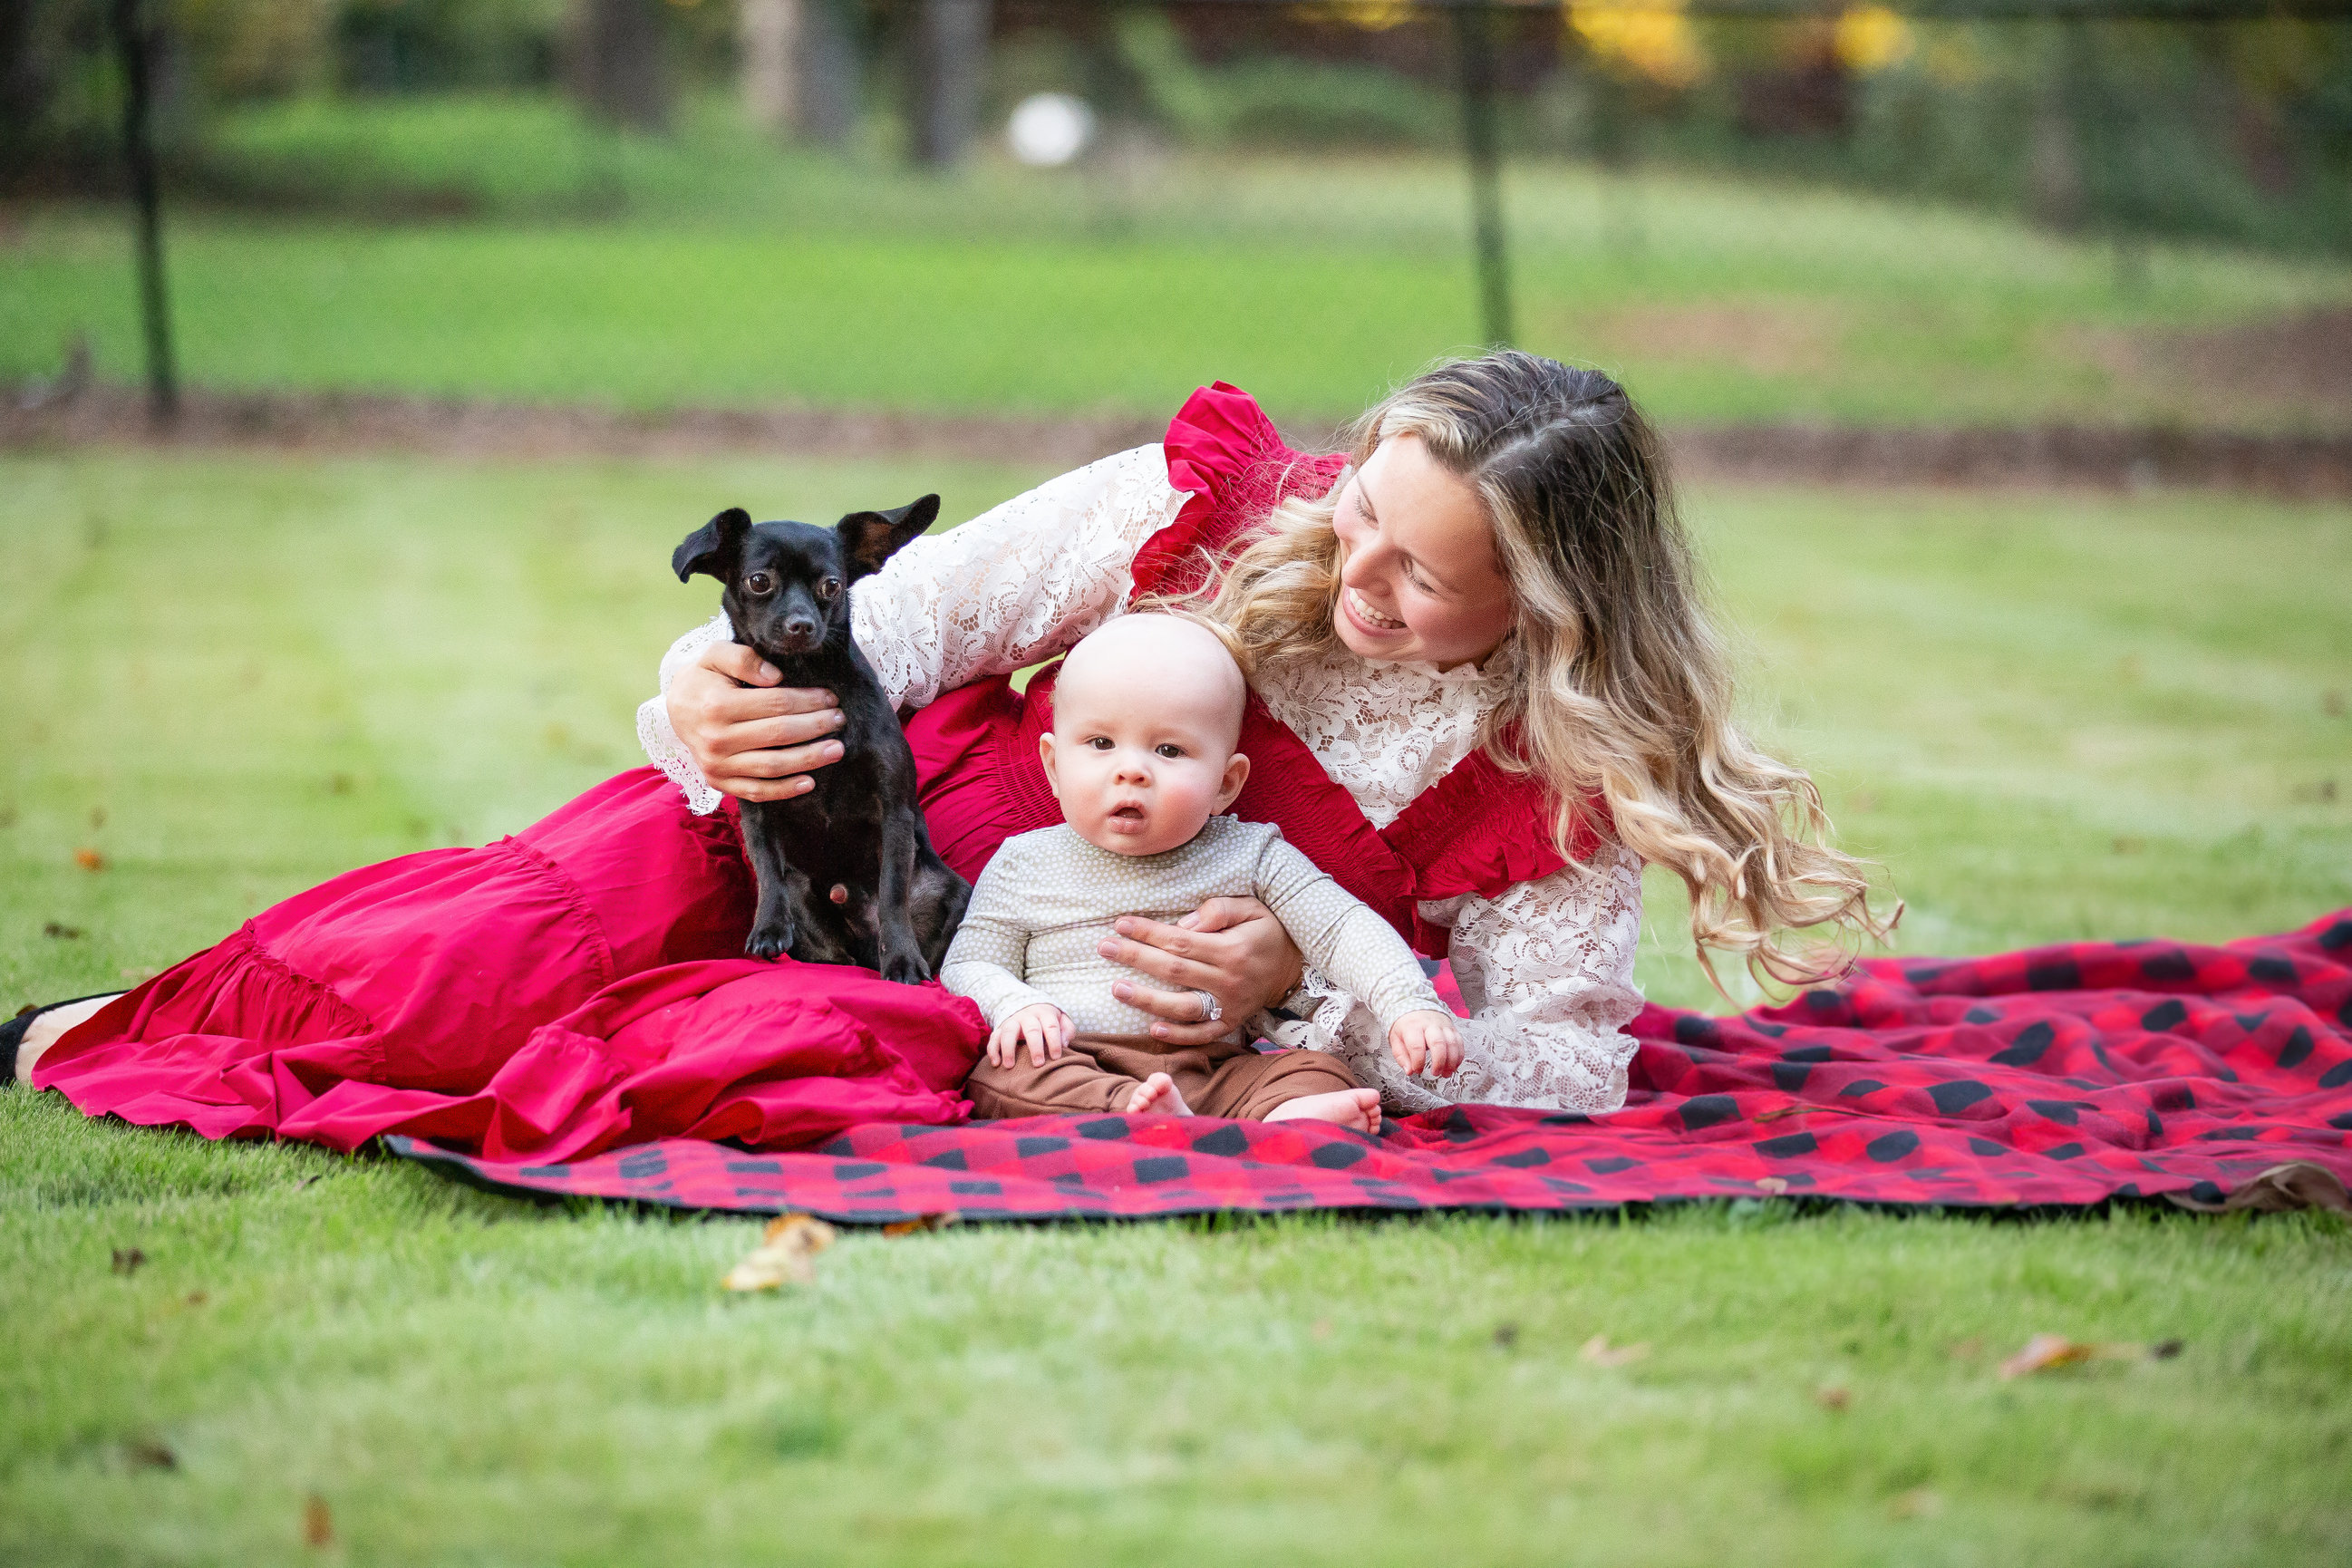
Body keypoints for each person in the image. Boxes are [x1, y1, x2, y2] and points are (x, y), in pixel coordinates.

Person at [11, 353, 1885, 1147]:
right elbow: (899, 620)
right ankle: (103, 1030)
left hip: (986, 992)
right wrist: (709, 689)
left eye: (1424, 582)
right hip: (822, 821)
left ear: (1546, 611)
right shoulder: (1210, 500)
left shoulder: (1544, 782)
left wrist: (1315, 1009)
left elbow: (1563, 1058)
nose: (1357, 573)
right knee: (505, 949)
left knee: (697, 1064)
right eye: (1366, 517)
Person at [941, 613, 1463, 1133]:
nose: (1131, 771)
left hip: (1213, 1069)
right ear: (1054, 766)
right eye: (1101, 743)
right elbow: (970, 963)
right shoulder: (1024, 862)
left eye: (1169, 750)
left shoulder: (1250, 853)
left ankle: (1280, 1116)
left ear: (1225, 784)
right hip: (1076, 1059)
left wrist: (1406, 1002)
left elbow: (1341, 928)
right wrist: (1015, 1004)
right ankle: (1133, 1110)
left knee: (1316, 1071)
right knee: (1002, 1074)